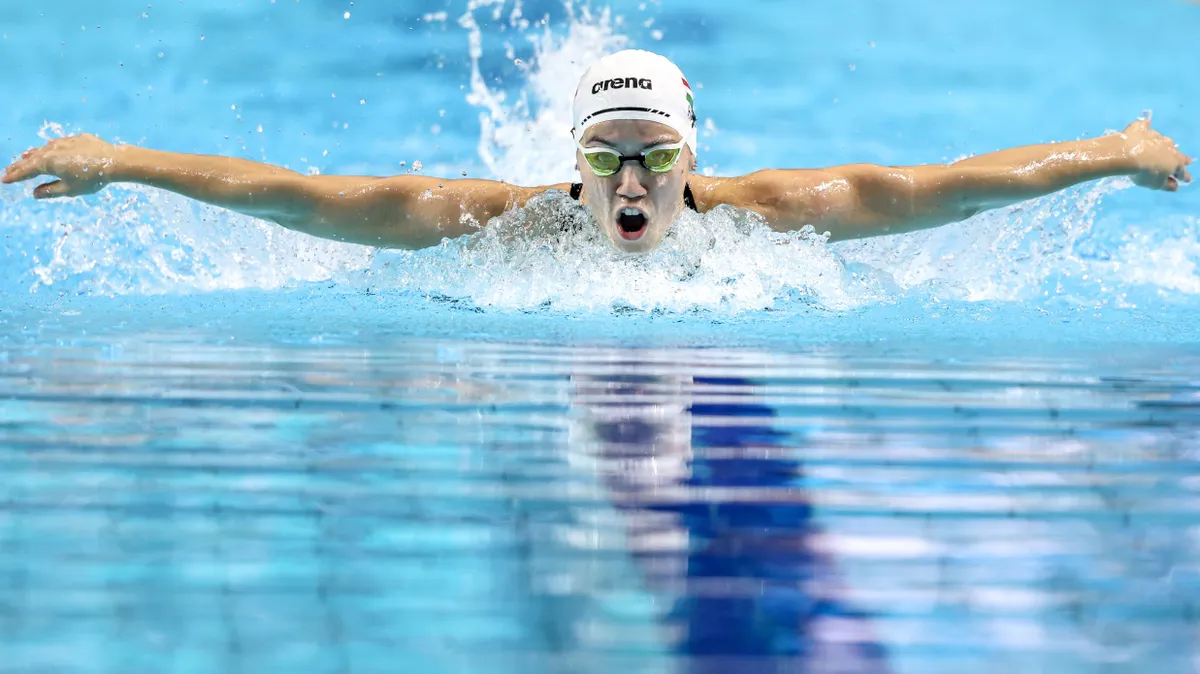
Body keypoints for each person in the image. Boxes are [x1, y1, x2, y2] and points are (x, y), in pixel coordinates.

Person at [1, 50, 1192, 255]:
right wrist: (126, 157)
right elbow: (316, 201)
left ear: (692, 154)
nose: (631, 183)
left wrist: (1112, 149)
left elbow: (953, 186)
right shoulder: (505, 223)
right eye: (607, 155)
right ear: (570, 159)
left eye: (654, 155)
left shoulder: (768, 216)